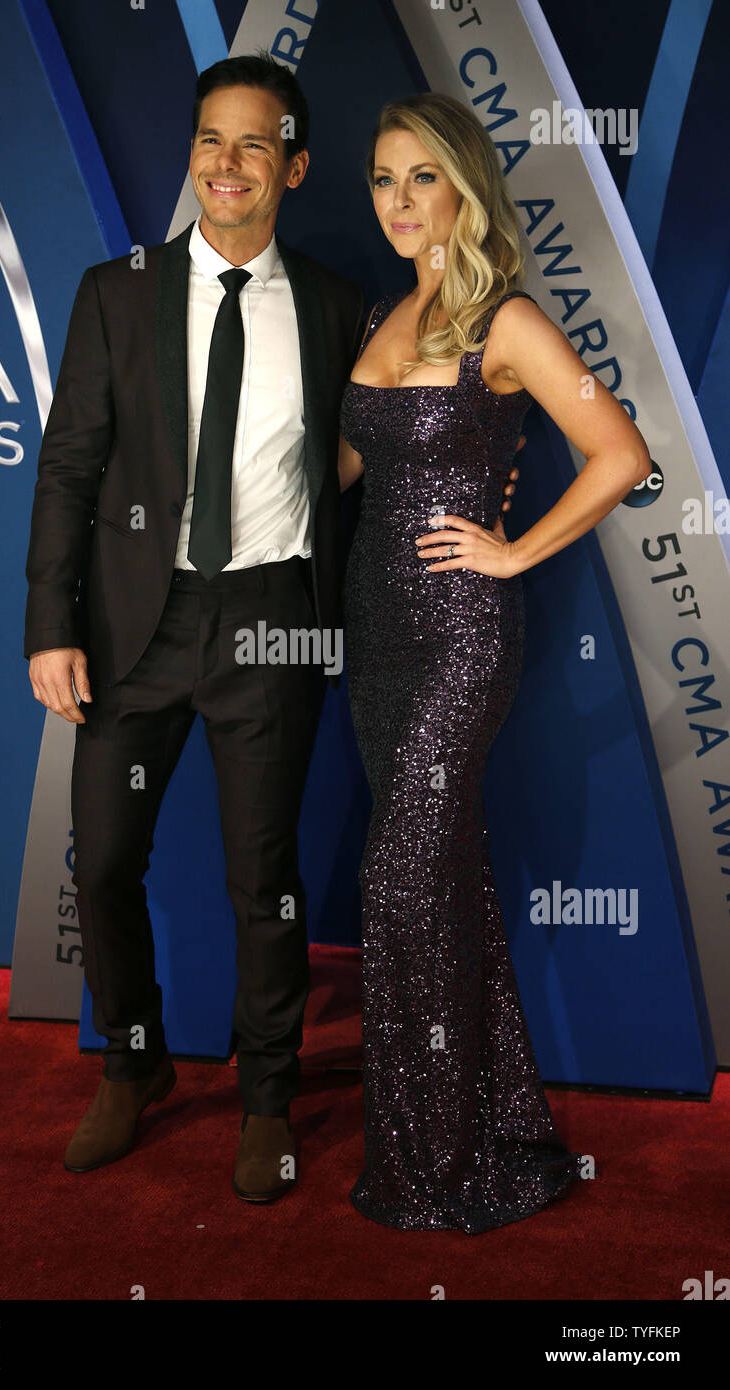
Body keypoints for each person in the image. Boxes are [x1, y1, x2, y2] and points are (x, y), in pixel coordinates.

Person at [24, 55, 516, 1204]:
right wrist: (50, 622)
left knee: (266, 880)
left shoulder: (344, 303)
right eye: (209, 140)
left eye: (254, 145)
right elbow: (66, 470)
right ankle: (133, 1064)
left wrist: (498, 474)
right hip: (137, 625)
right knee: (101, 861)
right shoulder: (114, 291)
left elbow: (411, 421)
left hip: (272, 624)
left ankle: (264, 1097)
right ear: (192, 155)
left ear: (291, 166)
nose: (226, 164)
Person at [338, 93, 650, 1233]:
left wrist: (512, 548)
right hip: (371, 633)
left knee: (397, 879)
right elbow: (340, 475)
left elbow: (619, 452)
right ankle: (484, 1120)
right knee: (445, 881)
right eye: (381, 179)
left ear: (464, 185)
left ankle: (438, 1163)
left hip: (461, 637)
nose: (400, 200)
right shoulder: (384, 311)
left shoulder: (503, 321)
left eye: (422, 177)